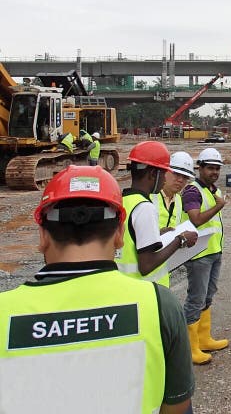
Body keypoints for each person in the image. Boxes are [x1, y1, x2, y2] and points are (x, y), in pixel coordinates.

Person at [0, 166, 194, 413]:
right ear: (120, 235)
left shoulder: (5, 312)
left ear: (42, 236)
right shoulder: (160, 305)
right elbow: (177, 404)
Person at [116, 140, 198, 287]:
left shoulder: (122, 200)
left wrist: (156, 235)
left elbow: (130, 239)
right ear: (153, 174)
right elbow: (146, 266)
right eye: (164, 173)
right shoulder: (144, 207)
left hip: (123, 286)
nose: (165, 178)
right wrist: (180, 240)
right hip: (144, 288)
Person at [182, 147, 228, 364]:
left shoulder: (213, 190)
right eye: (210, 168)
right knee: (196, 299)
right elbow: (196, 219)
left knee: (208, 296)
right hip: (199, 255)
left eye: (217, 168)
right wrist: (219, 206)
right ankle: (190, 348)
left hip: (214, 251)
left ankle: (204, 339)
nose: (214, 172)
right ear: (199, 168)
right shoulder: (192, 191)